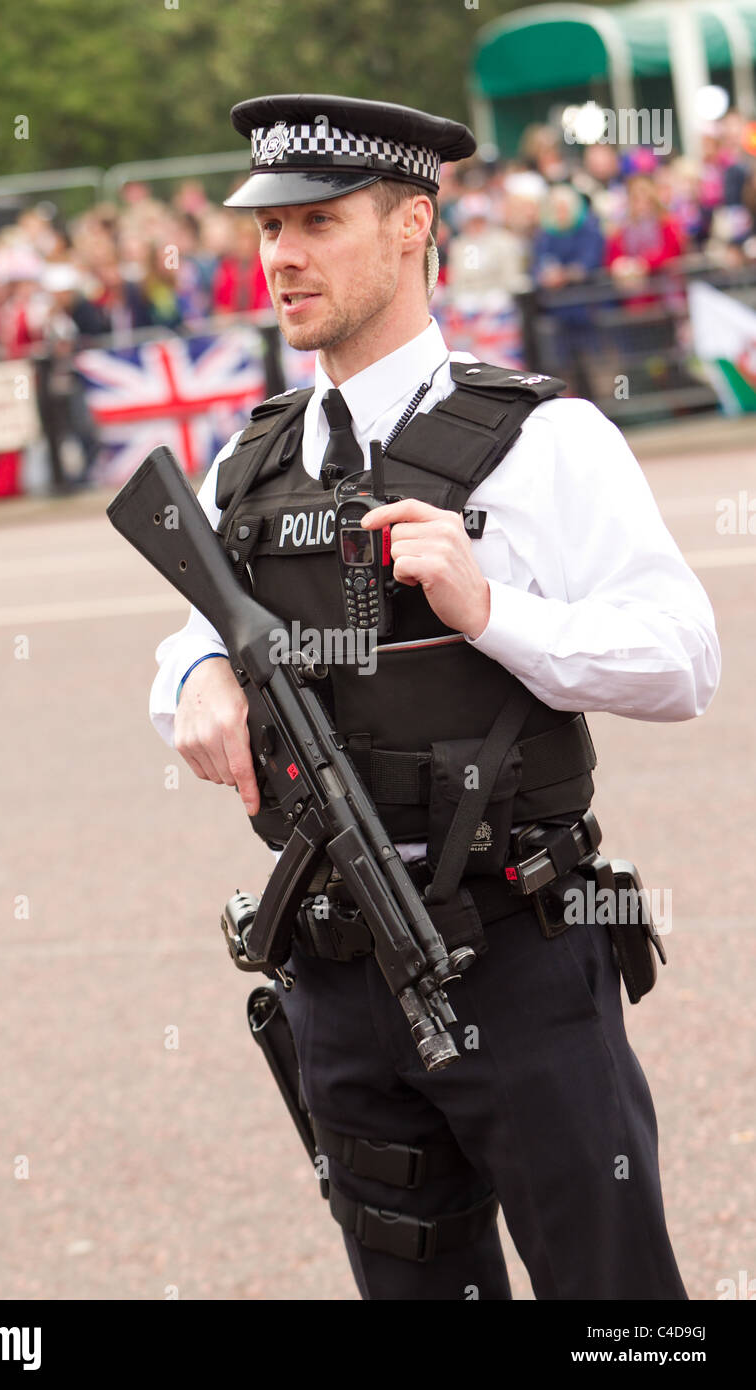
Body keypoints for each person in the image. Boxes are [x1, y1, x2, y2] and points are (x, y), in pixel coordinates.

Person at [148, 95, 720, 1300]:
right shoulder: (250, 461)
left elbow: (681, 661)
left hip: (515, 953)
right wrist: (195, 675)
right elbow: (194, 636)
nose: (282, 256)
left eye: (318, 221)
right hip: (333, 973)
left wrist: (488, 609)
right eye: (268, 228)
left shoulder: (541, 437)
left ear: (411, 224)